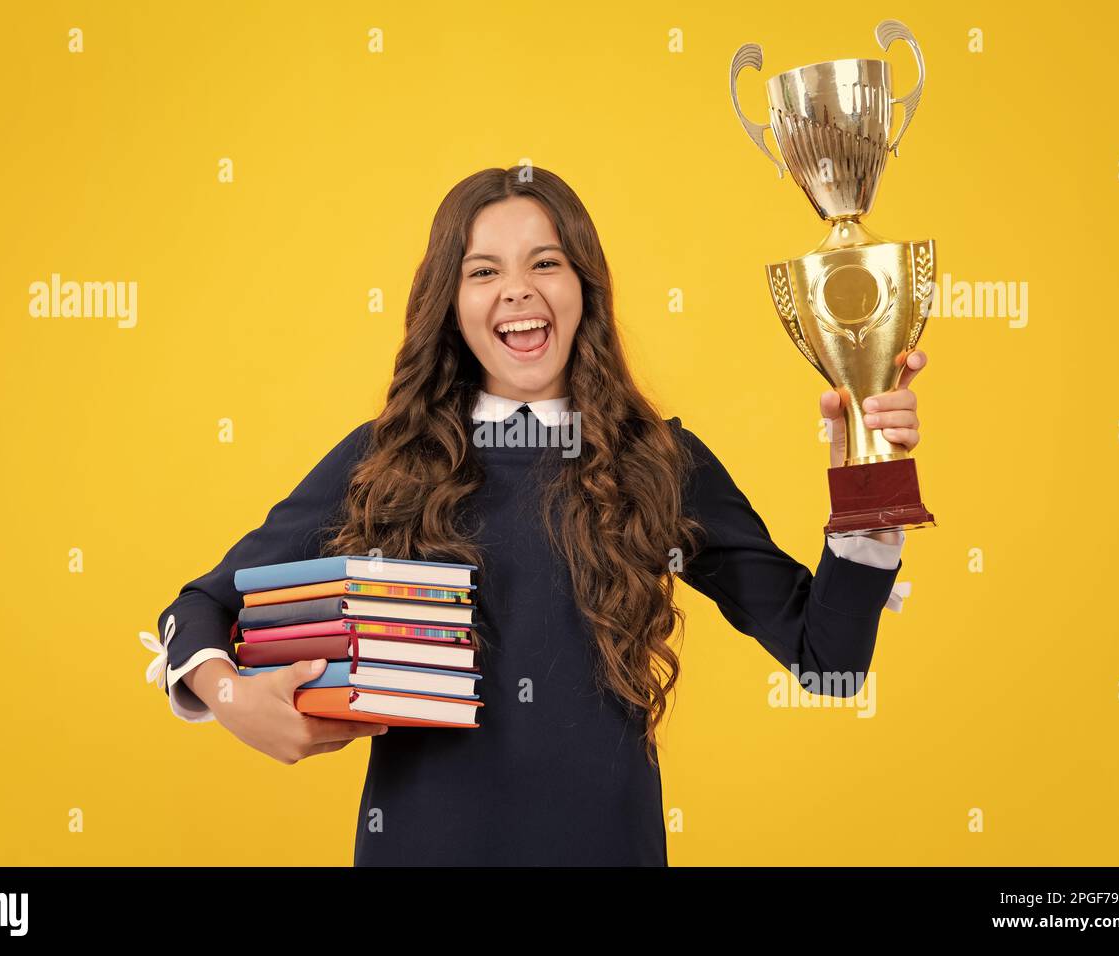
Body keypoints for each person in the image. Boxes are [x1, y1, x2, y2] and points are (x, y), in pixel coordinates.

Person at [151, 166, 925, 865]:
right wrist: (230, 698)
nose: (517, 289)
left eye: (545, 263)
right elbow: (202, 605)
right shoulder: (386, 458)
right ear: (450, 307)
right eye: (484, 271)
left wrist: (869, 469)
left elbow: (830, 660)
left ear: (584, 286)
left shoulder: (660, 461)